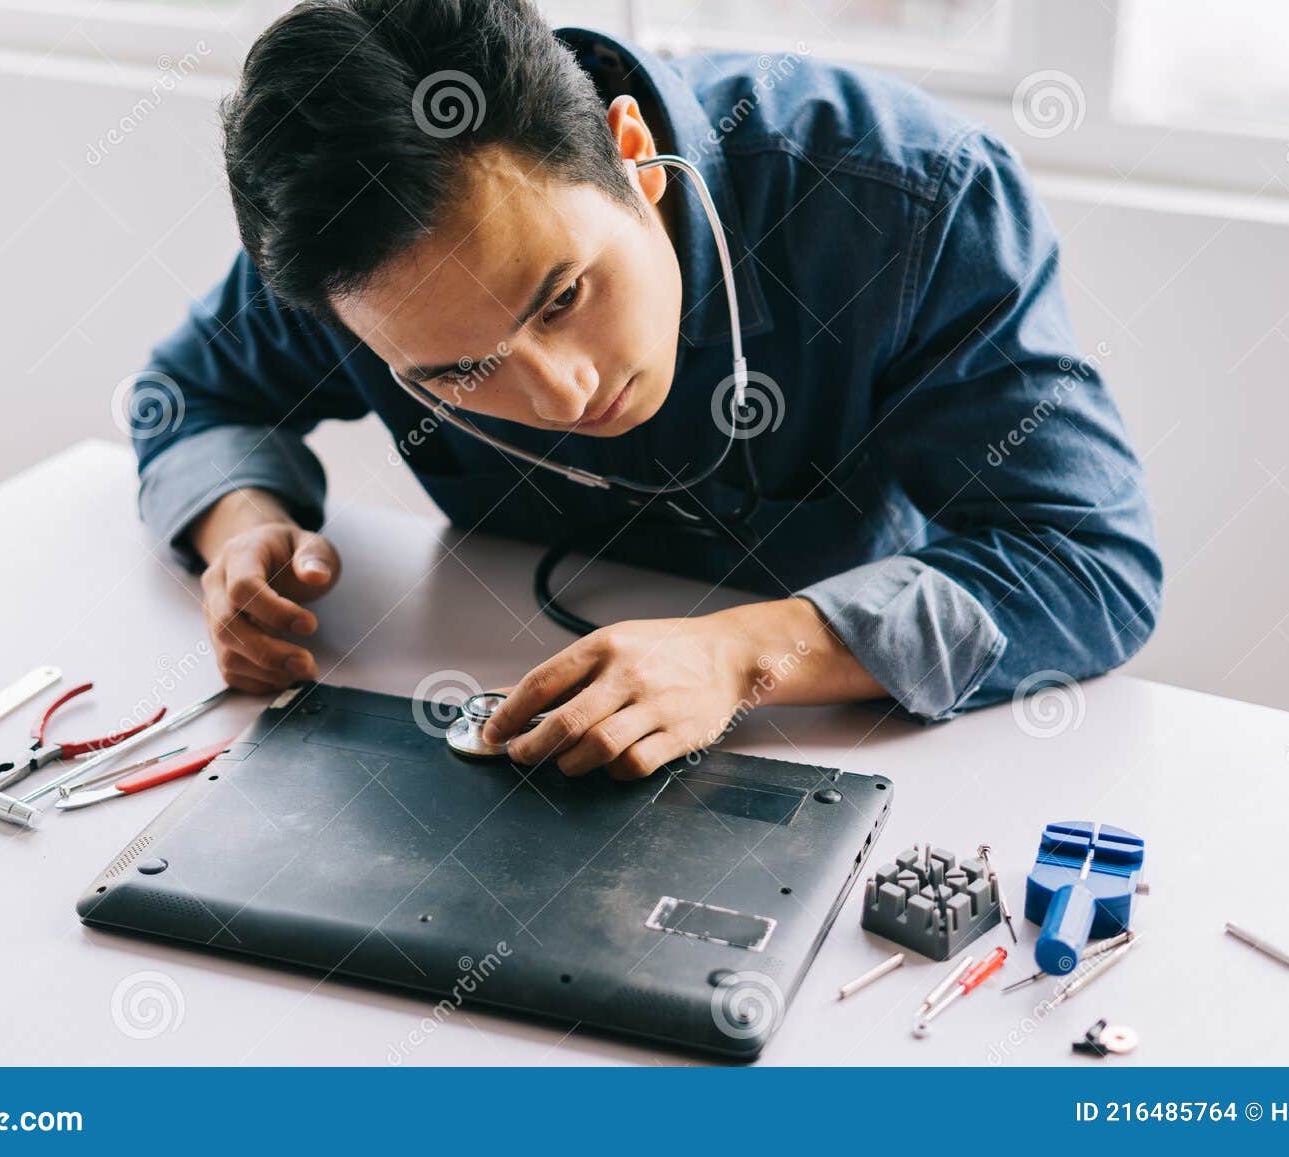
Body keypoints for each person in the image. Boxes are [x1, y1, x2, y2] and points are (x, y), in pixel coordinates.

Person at [130, 0, 1161, 779]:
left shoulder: (901, 198)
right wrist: (238, 528)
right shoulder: (352, 268)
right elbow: (187, 397)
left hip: (829, 750)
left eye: (562, 296)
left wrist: (743, 655)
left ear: (633, 157)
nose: (560, 390)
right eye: (456, 371)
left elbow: (1088, 561)